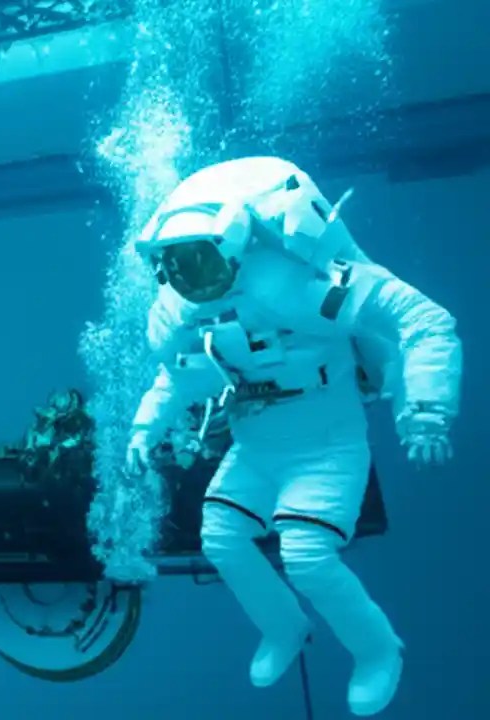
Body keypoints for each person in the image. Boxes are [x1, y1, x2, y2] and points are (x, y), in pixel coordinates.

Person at [124, 157, 462, 717]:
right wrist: (145, 427)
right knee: (222, 539)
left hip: (327, 442)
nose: (191, 278)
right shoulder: (188, 312)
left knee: (307, 555)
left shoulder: (302, 286)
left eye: (200, 259)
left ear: (233, 246)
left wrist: (426, 408)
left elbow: (424, 322)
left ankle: (378, 650)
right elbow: (179, 375)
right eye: (177, 265)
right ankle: (283, 626)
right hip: (255, 447)